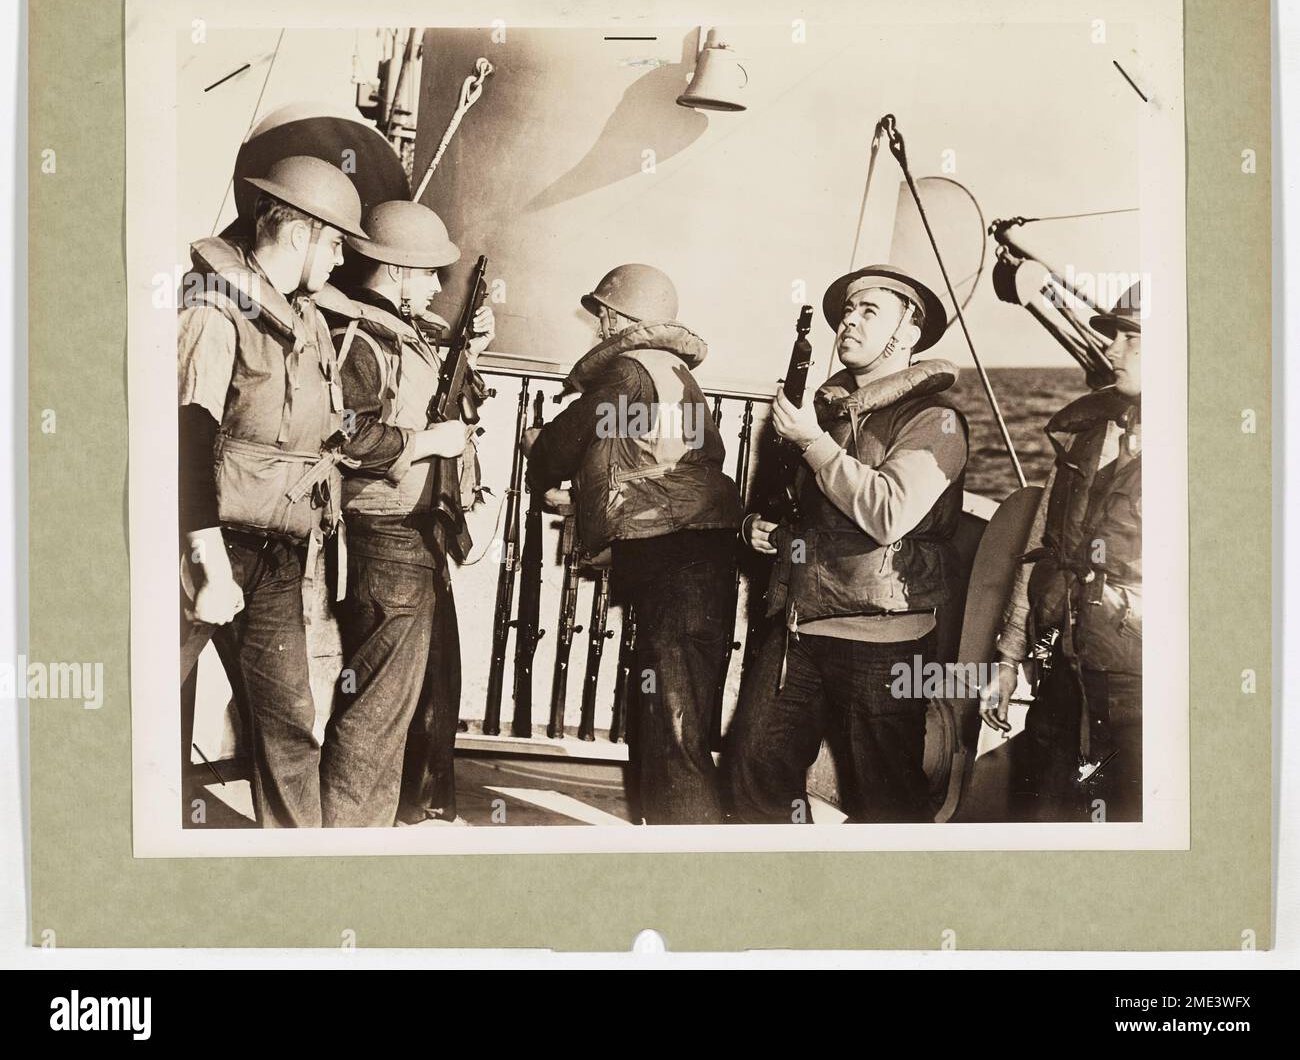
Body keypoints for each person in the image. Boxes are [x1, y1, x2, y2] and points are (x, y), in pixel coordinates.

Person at [727, 265, 968, 824]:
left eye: (869, 311)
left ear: (907, 333)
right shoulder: (827, 416)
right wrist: (757, 531)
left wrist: (811, 443)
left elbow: (887, 513)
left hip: (882, 641)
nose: (848, 323)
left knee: (887, 802)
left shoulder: (937, 421)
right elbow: (797, 508)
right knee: (753, 774)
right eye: (846, 312)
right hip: (798, 628)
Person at [177, 155, 366, 828]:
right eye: (337, 241)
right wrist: (207, 563)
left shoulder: (307, 321)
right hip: (208, 542)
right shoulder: (214, 311)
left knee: (290, 725)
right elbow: (187, 442)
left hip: (277, 555)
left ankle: (301, 875)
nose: (341, 260)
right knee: (144, 706)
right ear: (300, 231)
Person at [524, 264, 742, 824]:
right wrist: (586, 501)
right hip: (691, 549)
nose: (597, 326)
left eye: (602, 314)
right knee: (671, 710)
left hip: (677, 556)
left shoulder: (627, 369)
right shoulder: (671, 373)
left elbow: (570, 437)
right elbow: (661, 465)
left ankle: (690, 866)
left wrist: (539, 450)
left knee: (674, 723)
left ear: (621, 319)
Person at [314, 200, 494, 827]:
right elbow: (346, 434)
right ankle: (347, 849)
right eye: (429, 273)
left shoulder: (393, 332)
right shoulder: (359, 335)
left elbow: (423, 401)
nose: (440, 286)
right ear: (396, 271)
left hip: (411, 537)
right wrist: (424, 444)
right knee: (377, 712)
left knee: (394, 706)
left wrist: (469, 354)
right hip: (387, 536)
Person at [982, 284, 1142, 822]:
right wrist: (1007, 660)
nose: (1113, 351)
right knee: (1040, 811)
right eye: (1115, 337)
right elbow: (1043, 551)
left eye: (1132, 339)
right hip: (1061, 671)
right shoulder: (1083, 437)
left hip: (1142, 694)